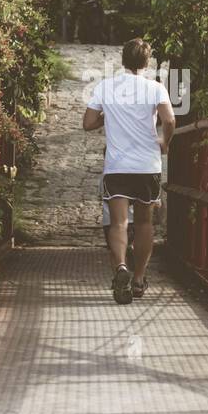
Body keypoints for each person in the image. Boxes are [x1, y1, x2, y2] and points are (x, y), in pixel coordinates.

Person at [83, 38, 176, 304]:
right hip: (147, 165)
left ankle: (121, 265)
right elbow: (169, 119)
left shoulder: (105, 87)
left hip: (117, 166)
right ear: (146, 63)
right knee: (145, 222)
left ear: (123, 60)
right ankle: (138, 279)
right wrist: (165, 143)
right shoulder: (155, 88)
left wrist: (108, 115)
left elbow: (88, 123)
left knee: (119, 222)